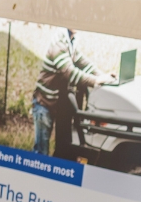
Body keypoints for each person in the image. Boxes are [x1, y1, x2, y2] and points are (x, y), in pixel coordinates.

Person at [32, 27, 111, 155]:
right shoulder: (59, 41)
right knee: (41, 152)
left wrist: (103, 76)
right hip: (44, 103)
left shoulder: (70, 40)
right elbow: (69, 72)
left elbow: (82, 62)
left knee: (52, 148)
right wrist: (95, 81)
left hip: (54, 103)